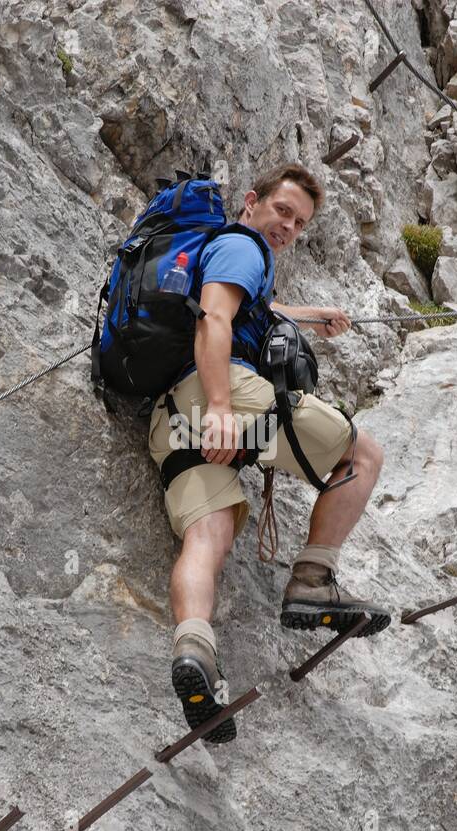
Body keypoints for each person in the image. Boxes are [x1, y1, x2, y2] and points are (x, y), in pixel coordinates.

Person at [147, 162, 389, 743]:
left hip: (176, 427)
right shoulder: (243, 245)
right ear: (251, 202)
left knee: (208, 535)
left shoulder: (227, 256)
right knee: (362, 455)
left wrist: (312, 317)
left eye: (300, 223)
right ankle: (312, 580)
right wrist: (225, 408)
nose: (287, 227)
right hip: (222, 408)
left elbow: (248, 310)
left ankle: (195, 651)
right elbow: (215, 317)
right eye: (282, 211)